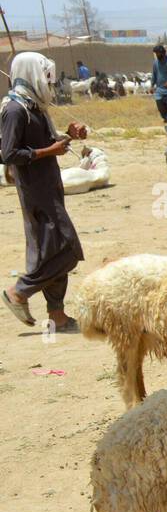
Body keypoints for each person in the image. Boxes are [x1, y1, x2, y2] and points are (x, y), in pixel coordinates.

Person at [1, 52, 86, 332]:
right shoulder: (15, 110)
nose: (49, 81)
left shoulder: (34, 106)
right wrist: (50, 150)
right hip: (36, 191)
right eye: (45, 75)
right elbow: (9, 153)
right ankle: (19, 292)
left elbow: (47, 145)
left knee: (54, 250)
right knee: (68, 249)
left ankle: (57, 316)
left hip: (49, 185)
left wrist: (70, 136)